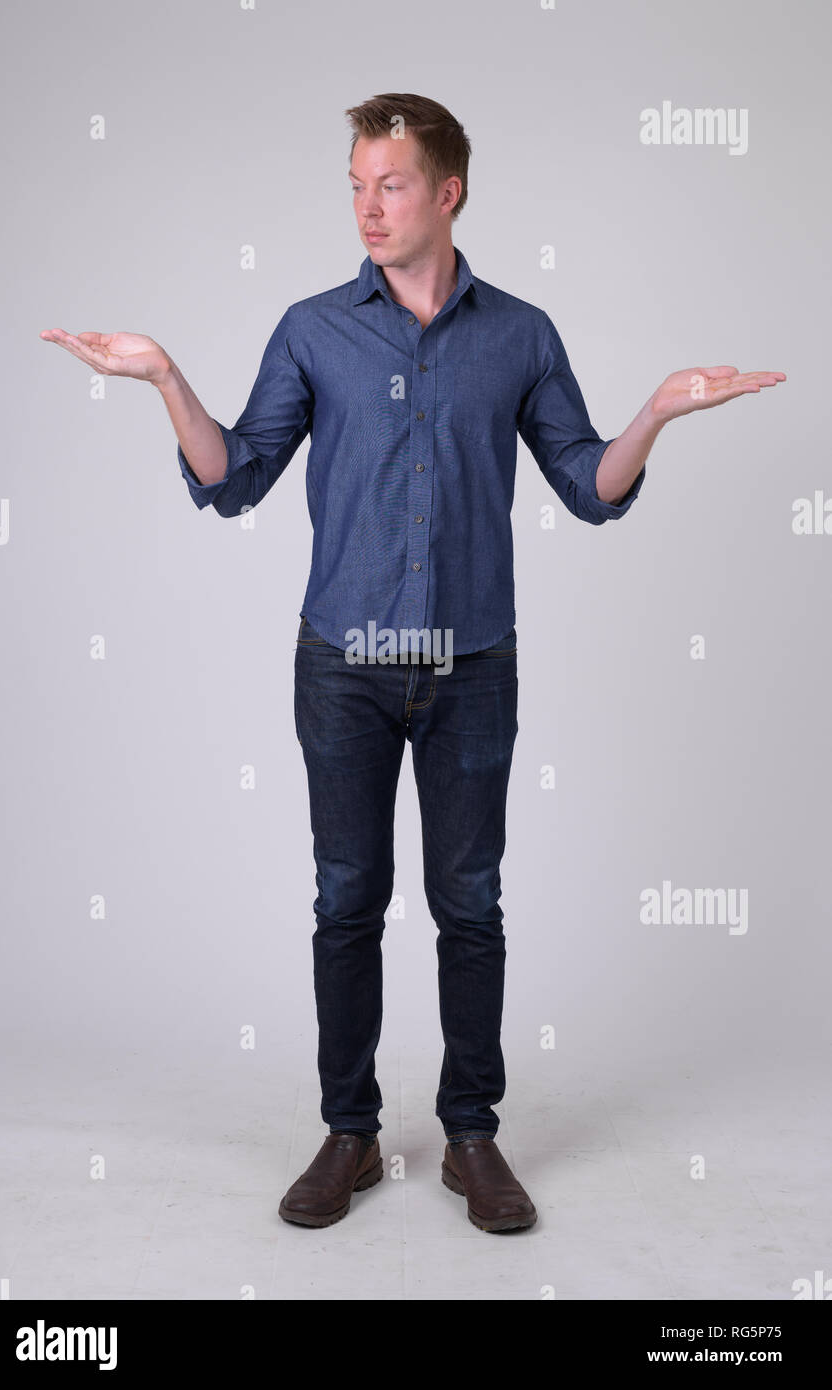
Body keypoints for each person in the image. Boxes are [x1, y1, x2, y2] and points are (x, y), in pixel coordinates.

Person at [40, 92, 785, 1235]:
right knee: (347, 901)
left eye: (388, 184)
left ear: (447, 193)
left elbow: (588, 487)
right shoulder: (311, 329)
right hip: (340, 665)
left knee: (469, 904)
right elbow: (234, 476)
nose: (365, 206)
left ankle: (471, 1136)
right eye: (352, 183)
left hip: (472, 664)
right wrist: (165, 381)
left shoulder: (520, 335)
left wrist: (654, 414)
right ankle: (349, 1130)